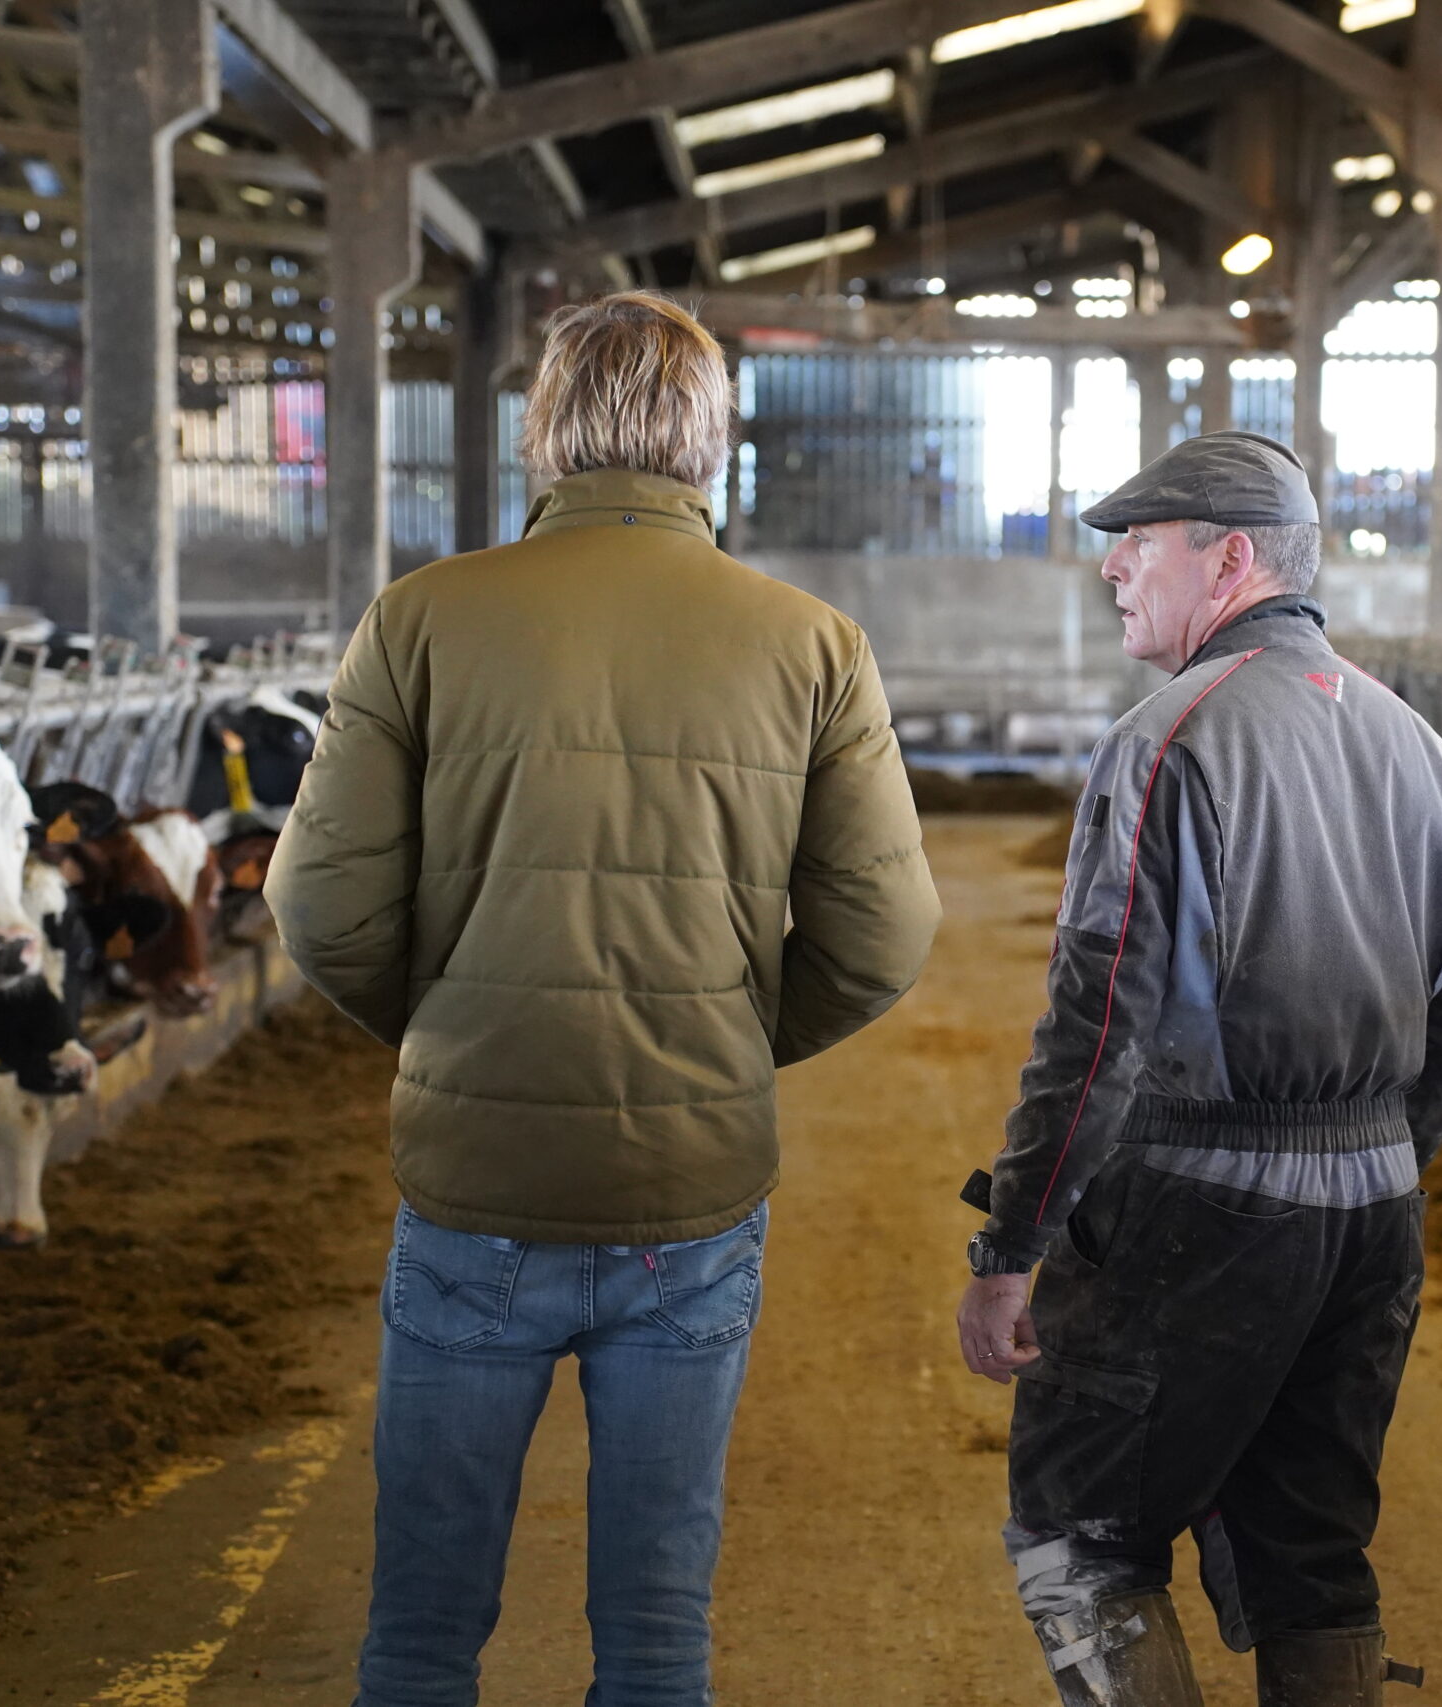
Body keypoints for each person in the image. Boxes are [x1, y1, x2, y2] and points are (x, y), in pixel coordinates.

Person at [266, 290, 940, 1707]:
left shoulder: (421, 619)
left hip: (473, 1182)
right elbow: (886, 932)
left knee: (421, 1626)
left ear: (546, 432)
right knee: (653, 1630)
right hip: (687, 1193)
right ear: (712, 439)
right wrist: (732, 1041)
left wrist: (455, 1025)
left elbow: (318, 904)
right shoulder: (813, 643)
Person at [954, 430, 1442, 1707]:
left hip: (1199, 1207)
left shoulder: (1167, 740)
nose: (1114, 571)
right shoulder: (1429, 753)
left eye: (1136, 543)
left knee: (1082, 1544)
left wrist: (1011, 1244)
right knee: (1310, 1556)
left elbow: (1099, 1028)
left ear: (1230, 557)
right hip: (1374, 1213)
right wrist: (1375, 1169)